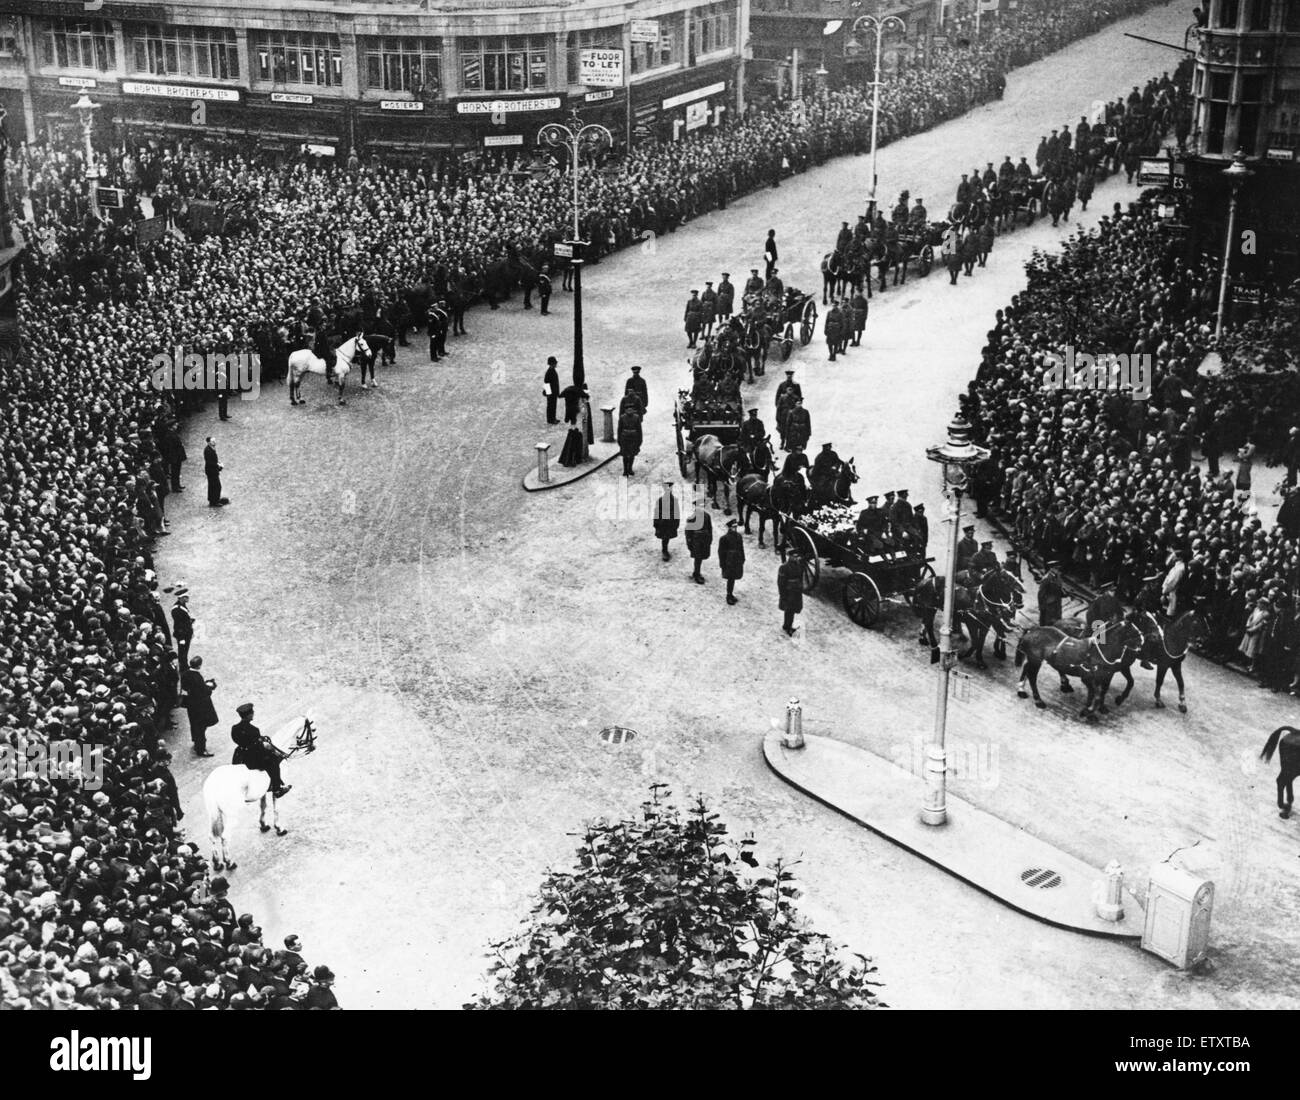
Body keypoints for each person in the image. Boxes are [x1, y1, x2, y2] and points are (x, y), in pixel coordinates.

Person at [230, 702, 291, 798]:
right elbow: (259, 748)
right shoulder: (254, 730)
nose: (253, 714)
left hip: (240, 755)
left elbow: (236, 740)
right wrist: (273, 751)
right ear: (248, 715)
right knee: (274, 762)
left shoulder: (235, 728)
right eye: (252, 713)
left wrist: (257, 740)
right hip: (252, 759)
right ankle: (277, 789)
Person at [179, 656, 217, 757]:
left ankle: (196, 742)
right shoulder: (197, 677)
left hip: (191, 705)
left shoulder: (185, 674)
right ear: (199, 665)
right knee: (201, 727)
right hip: (200, 706)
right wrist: (210, 687)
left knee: (194, 725)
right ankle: (201, 749)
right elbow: (203, 691)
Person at [718, 518, 745, 605]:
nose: (735, 528)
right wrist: (722, 564)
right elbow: (721, 552)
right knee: (730, 579)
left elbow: (741, 548)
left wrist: (743, 558)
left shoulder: (739, 536)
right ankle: (729, 595)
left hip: (737, 561)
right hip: (729, 562)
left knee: (733, 578)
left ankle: (731, 594)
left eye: (736, 527)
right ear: (729, 528)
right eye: (733, 527)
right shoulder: (724, 538)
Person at [684, 504, 713, 585]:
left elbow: (710, 528)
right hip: (696, 541)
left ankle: (696, 572)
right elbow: (688, 531)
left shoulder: (707, 516)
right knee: (698, 558)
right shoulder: (692, 518)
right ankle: (697, 574)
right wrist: (689, 543)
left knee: (701, 557)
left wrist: (710, 539)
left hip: (705, 540)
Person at [778, 551, 804, 635]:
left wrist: (800, 587)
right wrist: (783, 595)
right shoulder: (784, 567)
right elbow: (781, 583)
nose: (795, 558)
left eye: (797, 556)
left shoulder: (799, 565)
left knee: (793, 609)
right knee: (789, 610)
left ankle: (788, 625)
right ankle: (787, 626)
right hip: (788, 592)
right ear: (789, 556)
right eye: (793, 556)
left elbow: (800, 577)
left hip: (796, 591)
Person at [653, 481, 680, 561]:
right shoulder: (660, 500)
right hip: (663, 523)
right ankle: (664, 551)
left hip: (671, 522)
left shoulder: (674, 500)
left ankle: (665, 549)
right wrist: (656, 522)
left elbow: (677, 513)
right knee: (665, 537)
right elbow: (656, 512)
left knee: (667, 537)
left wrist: (676, 523)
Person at [171, 588, 193, 671]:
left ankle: (184, 664)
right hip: (183, 634)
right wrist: (181, 638)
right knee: (182, 651)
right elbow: (179, 625)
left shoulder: (181, 606)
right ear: (182, 598)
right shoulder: (177, 609)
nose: (188, 598)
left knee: (185, 650)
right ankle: (183, 667)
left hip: (186, 632)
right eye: (186, 597)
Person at [617, 404, 642, 477]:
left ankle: (627, 470)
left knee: (628, 455)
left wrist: (619, 440)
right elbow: (639, 430)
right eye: (629, 409)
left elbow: (619, 430)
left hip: (628, 438)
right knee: (629, 455)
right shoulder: (635, 417)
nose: (629, 411)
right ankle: (628, 469)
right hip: (630, 439)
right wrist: (640, 441)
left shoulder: (624, 417)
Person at [203, 437, 228, 507]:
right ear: (208, 442)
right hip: (211, 471)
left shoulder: (211, 448)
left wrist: (218, 463)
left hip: (212, 470)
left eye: (215, 441)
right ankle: (214, 501)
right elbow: (210, 462)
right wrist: (218, 466)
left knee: (214, 486)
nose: (214, 442)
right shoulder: (208, 450)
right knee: (216, 486)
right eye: (212, 441)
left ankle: (214, 499)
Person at [543, 356, 560, 424]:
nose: (556, 364)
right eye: (555, 363)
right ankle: (551, 420)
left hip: (554, 392)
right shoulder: (549, 372)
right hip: (551, 393)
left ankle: (553, 418)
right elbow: (546, 382)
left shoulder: (552, 370)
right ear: (552, 363)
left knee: (553, 405)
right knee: (551, 406)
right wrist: (548, 393)